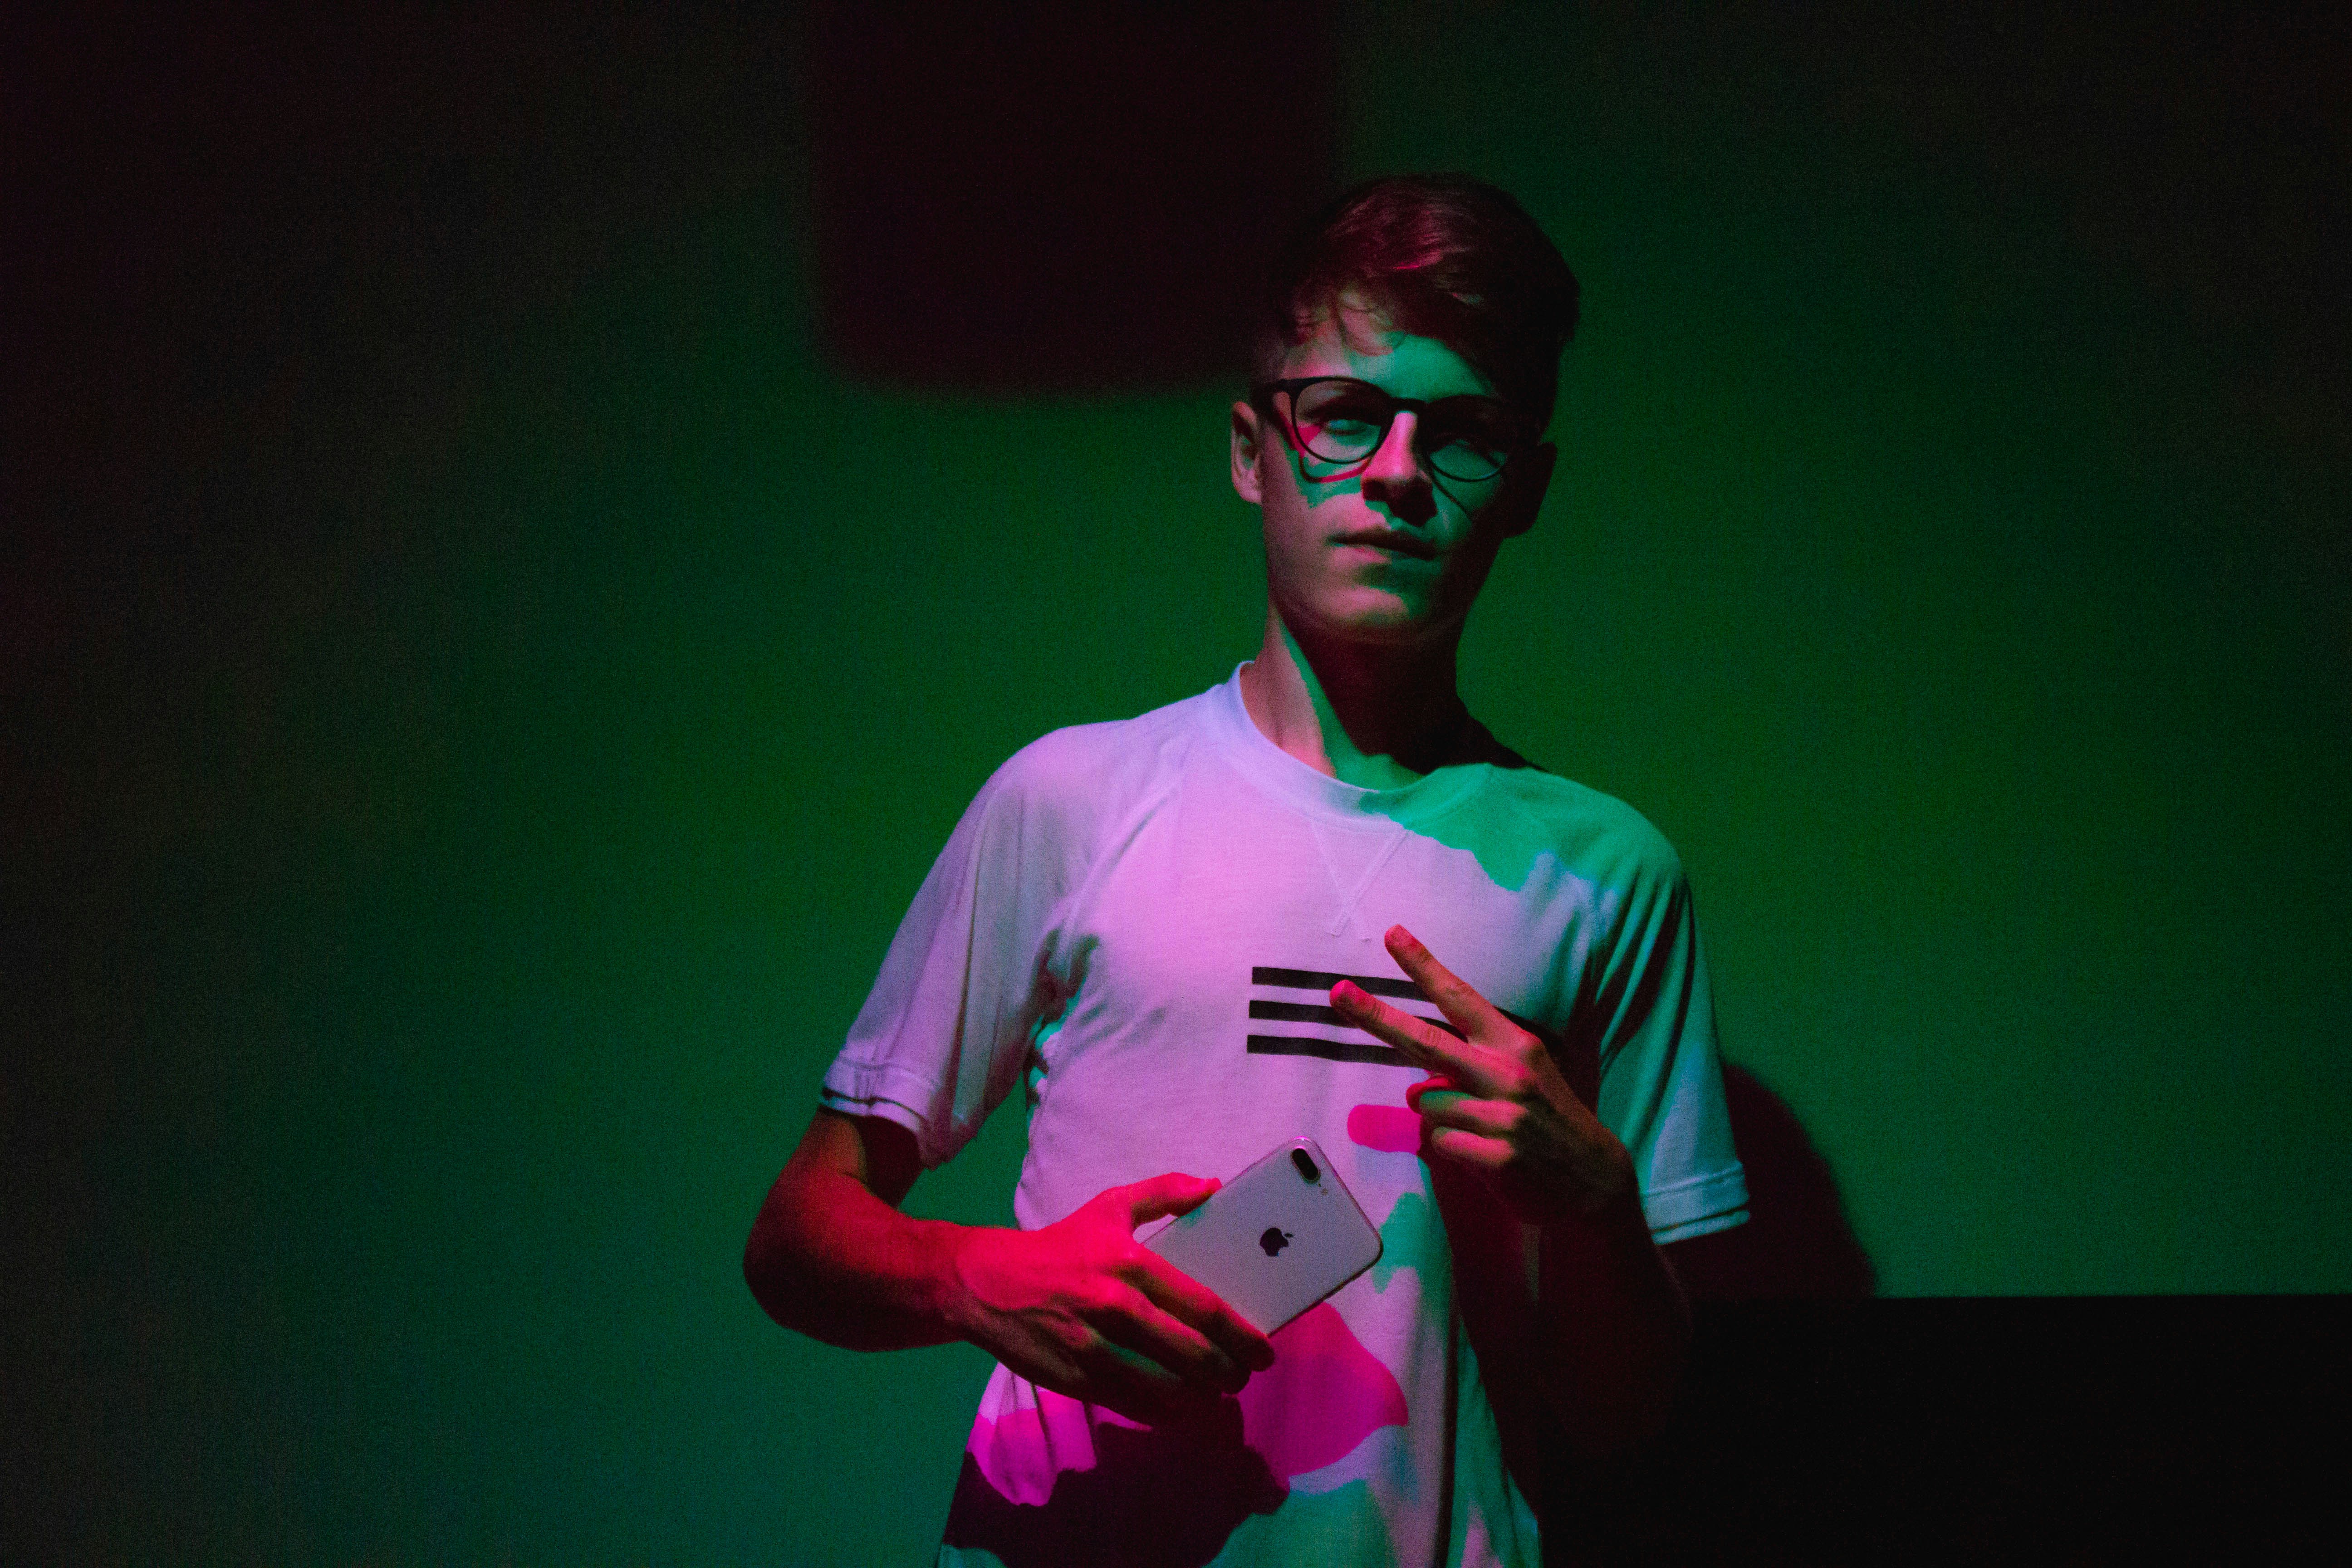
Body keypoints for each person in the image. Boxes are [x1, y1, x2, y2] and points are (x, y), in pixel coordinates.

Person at [744, 173, 1749, 1567]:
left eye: (1462, 434)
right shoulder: (1072, 799)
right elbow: (796, 1236)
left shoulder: (1606, 873)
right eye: (1344, 416)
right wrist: (983, 1277)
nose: (1396, 475)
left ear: (1525, 486)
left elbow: (1629, 1413)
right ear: (1251, 449)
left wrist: (1594, 1204)